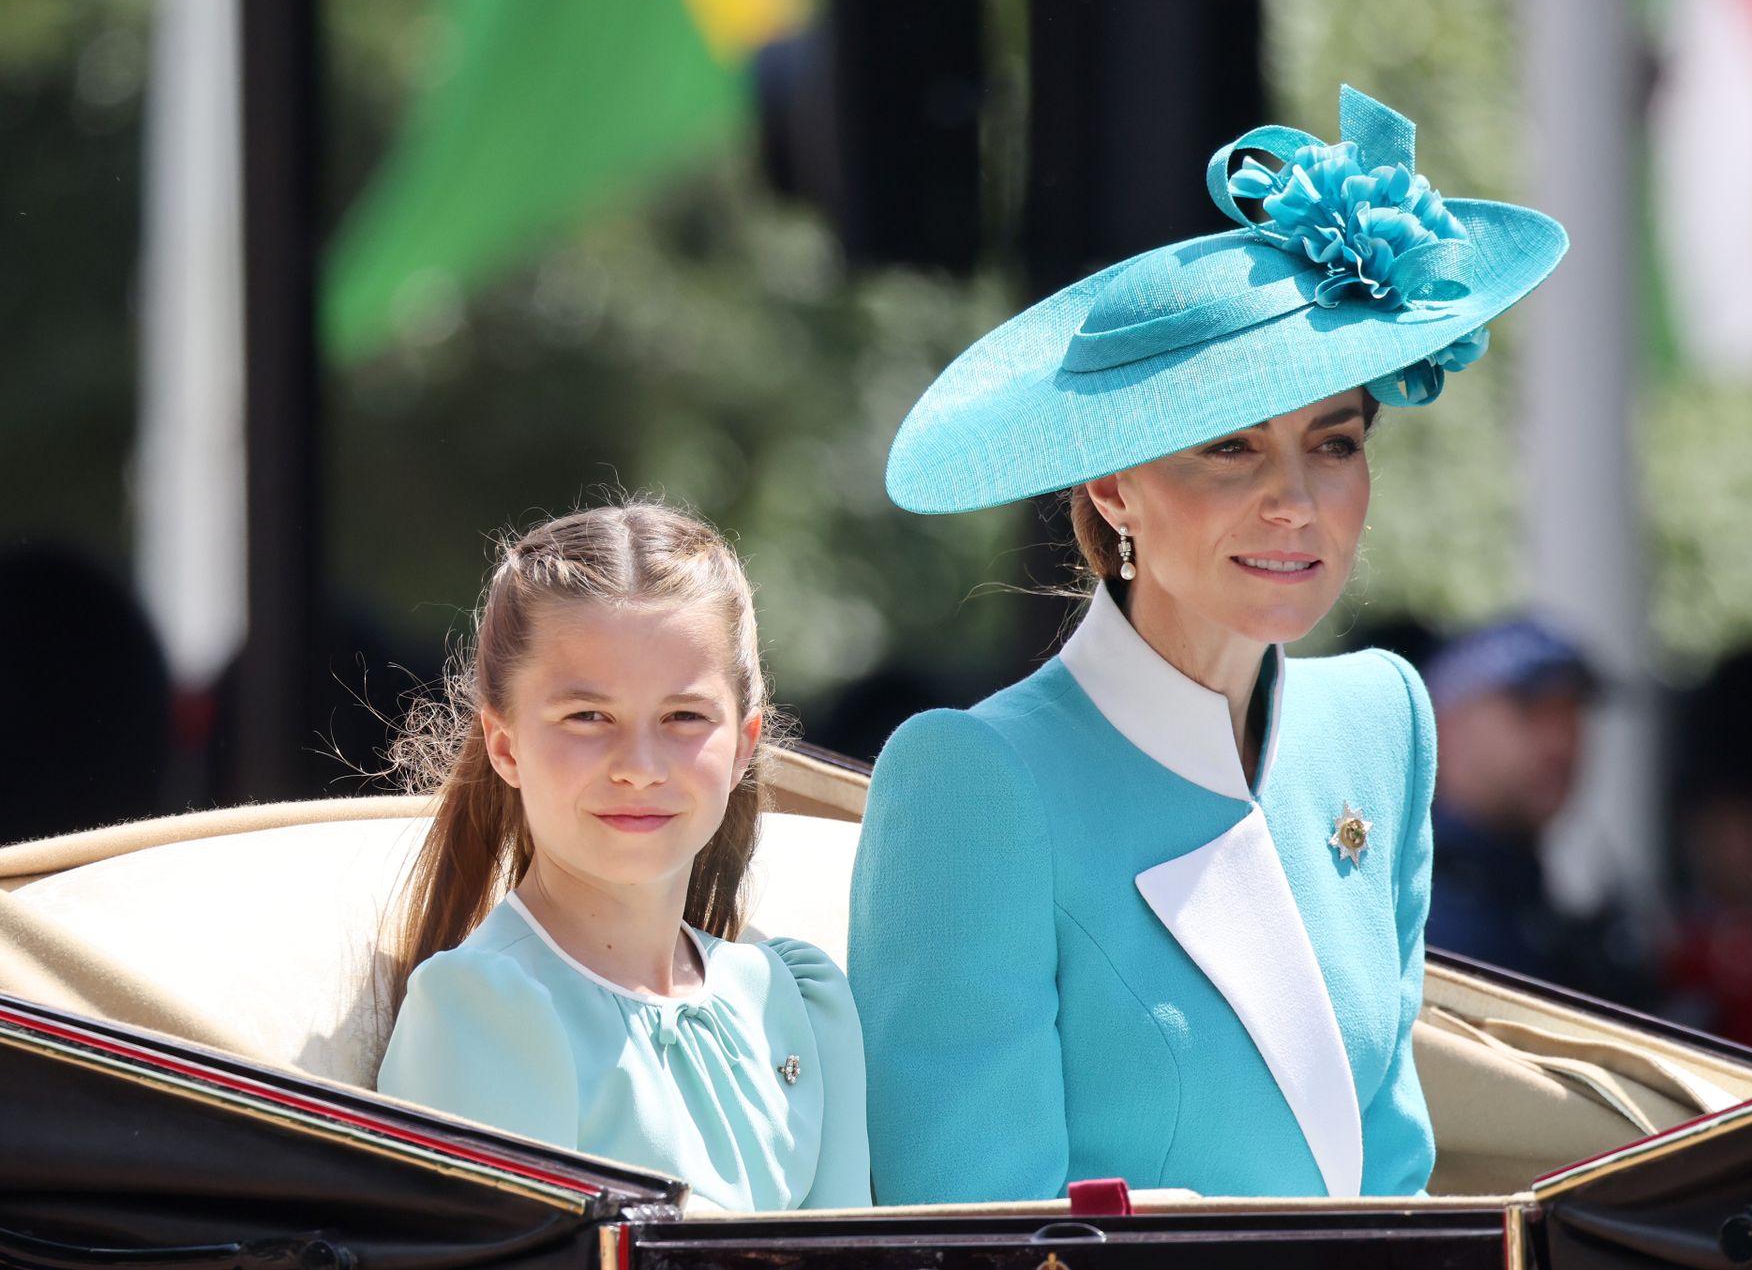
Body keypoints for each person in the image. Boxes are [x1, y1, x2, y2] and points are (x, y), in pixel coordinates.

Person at [849, 86, 1568, 1203]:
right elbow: (966, 1231)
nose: (1296, 502)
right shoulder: (974, 779)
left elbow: (1391, 1182)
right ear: (1113, 486)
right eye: (1230, 449)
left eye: (1333, 443)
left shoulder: (1382, 721)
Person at [376, 500, 870, 1211]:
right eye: (587, 717)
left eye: (683, 717)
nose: (639, 765)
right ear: (505, 743)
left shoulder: (798, 1001)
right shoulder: (485, 1011)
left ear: (744, 743)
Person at [1421, 618, 1649, 998]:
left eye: (1572, 715)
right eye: (1531, 711)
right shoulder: (1411, 898)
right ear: (1446, 724)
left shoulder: (1531, 900)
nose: (1560, 742)